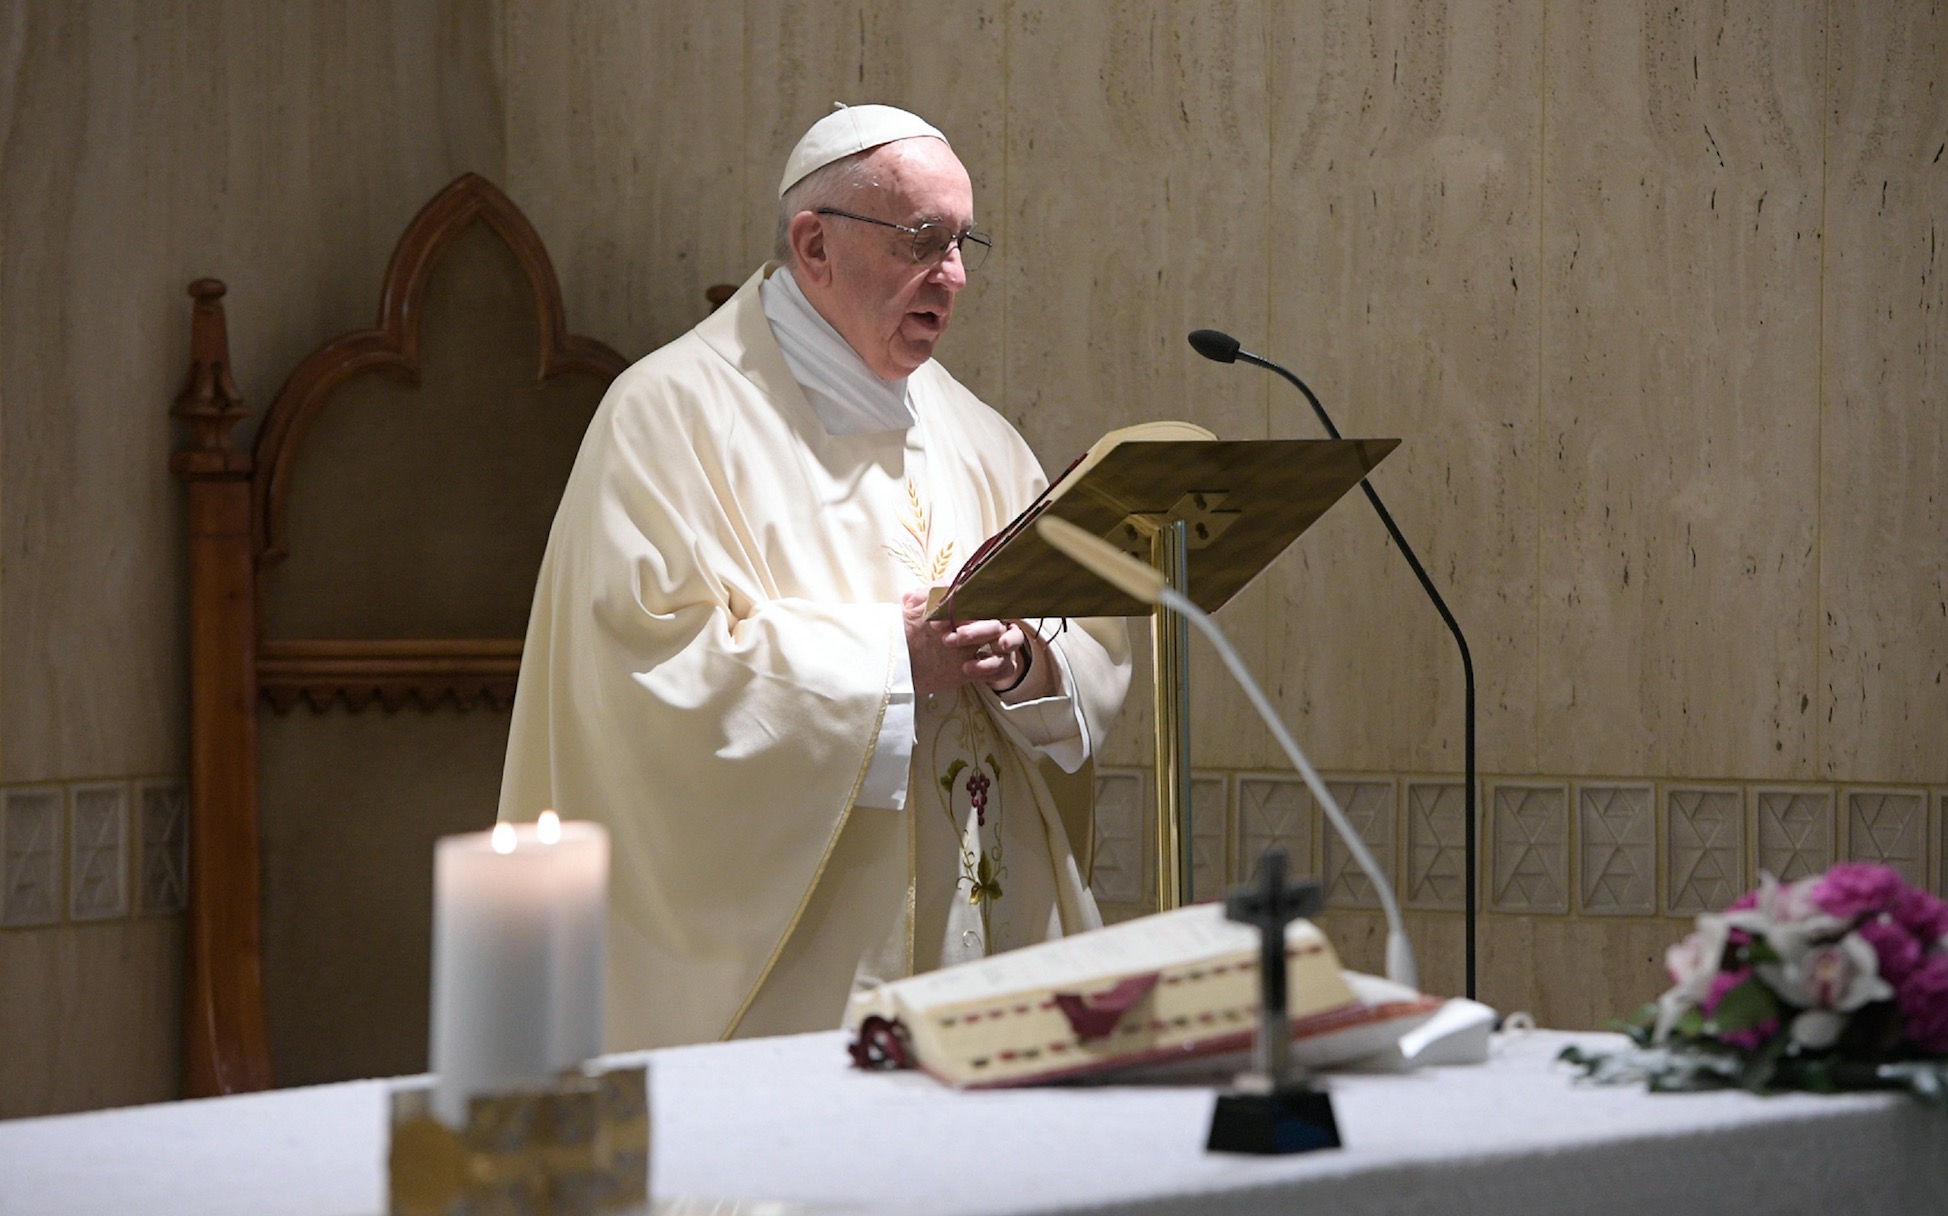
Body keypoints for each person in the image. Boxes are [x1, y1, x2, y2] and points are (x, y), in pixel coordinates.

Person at [500, 103, 1132, 1050]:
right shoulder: (669, 416)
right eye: (924, 241)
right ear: (814, 245)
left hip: (985, 940)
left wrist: (1022, 663)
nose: (952, 277)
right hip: (798, 980)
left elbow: (1081, 641)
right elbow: (641, 679)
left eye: (964, 244)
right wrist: (889, 662)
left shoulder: (978, 435)